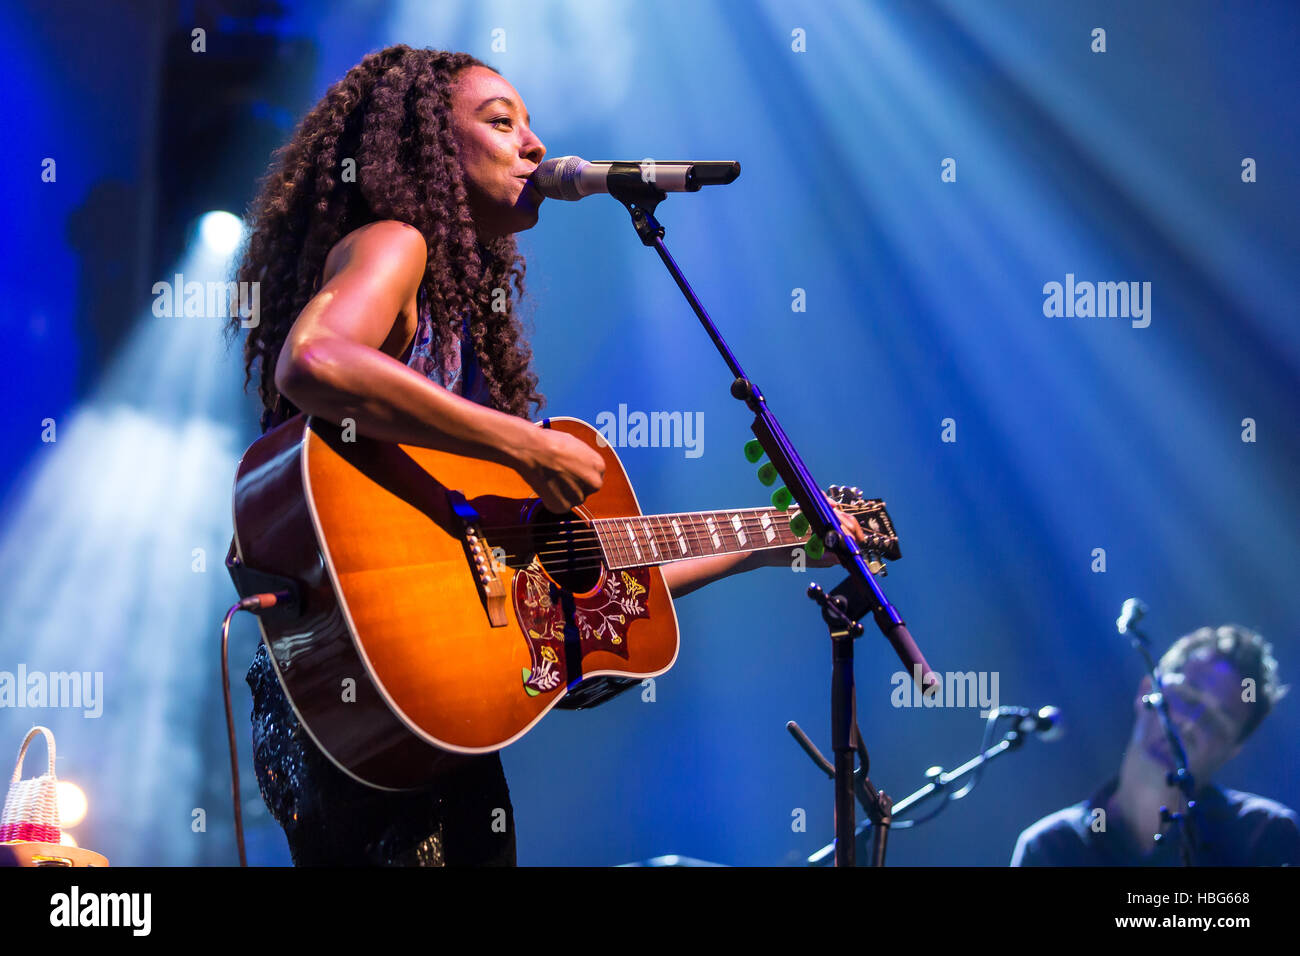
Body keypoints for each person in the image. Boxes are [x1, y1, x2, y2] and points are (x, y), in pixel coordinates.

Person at [226, 45, 865, 866]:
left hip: (428, 710)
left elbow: (588, 582)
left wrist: (767, 541)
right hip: (364, 699)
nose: (535, 143)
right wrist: (525, 444)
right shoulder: (394, 242)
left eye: (531, 124)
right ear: (427, 145)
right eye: (501, 122)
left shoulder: (466, 336)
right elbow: (314, 362)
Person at [1011, 624, 1299, 866]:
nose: (1190, 724)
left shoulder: (1263, 836)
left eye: (1215, 722)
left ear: (1233, 750)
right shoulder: (1051, 847)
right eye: (1186, 698)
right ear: (1146, 690)